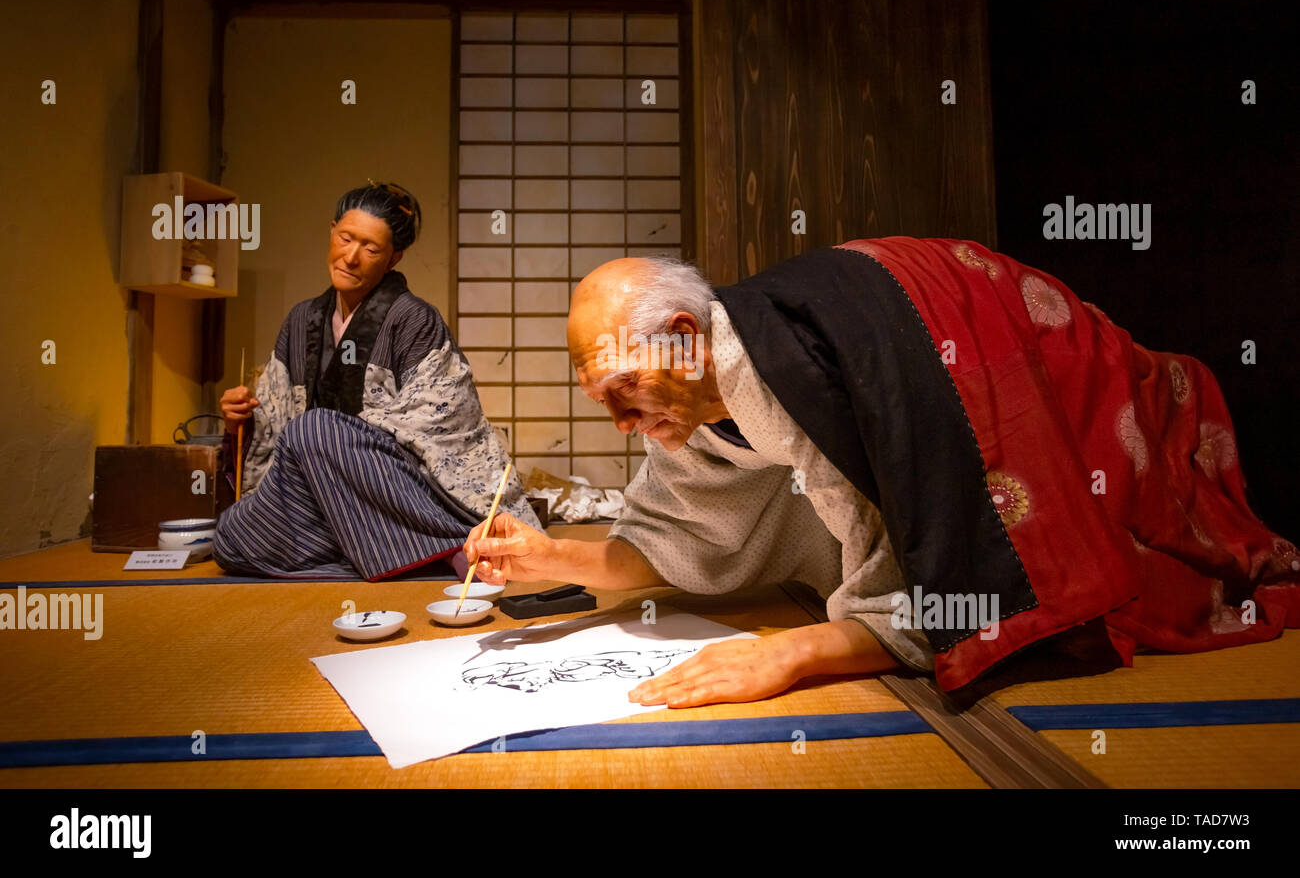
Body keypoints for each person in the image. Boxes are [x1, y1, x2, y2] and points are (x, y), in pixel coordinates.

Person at [460, 238, 1300, 707]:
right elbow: (685, 538)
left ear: (685, 336)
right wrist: (551, 556)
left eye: (624, 390)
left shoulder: (794, 374)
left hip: (1010, 340)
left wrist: (796, 655)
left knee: (1135, 492)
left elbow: (920, 579)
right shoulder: (691, 402)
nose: (619, 420)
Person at [214, 180, 538, 580]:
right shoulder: (301, 321)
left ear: (393, 258)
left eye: (370, 248)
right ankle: (416, 550)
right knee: (230, 537)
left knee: (313, 429)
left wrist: (339, 438)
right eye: (345, 238)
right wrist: (239, 422)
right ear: (331, 231)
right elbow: (272, 432)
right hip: (319, 492)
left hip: (395, 489)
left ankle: (411, 541)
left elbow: (445, 423)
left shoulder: (415, 320)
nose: (350, 257)